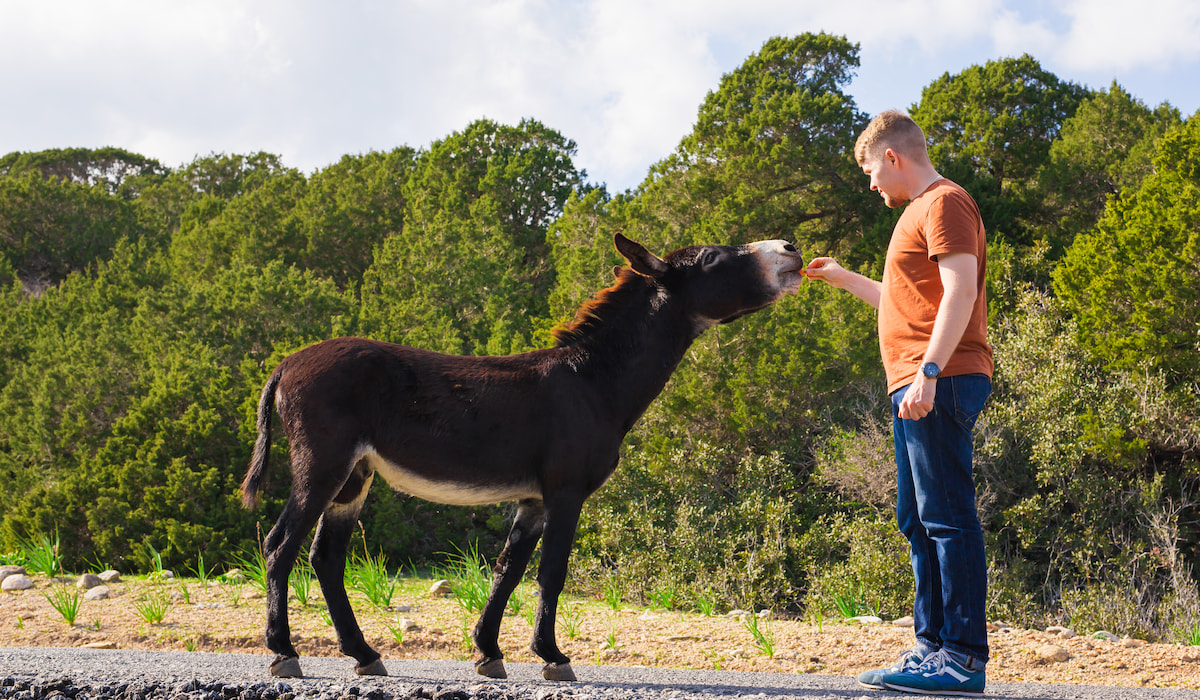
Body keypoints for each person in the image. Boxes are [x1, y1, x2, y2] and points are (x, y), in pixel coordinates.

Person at [805, 110, 993, 697]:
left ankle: (961, 658)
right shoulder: (918, 212)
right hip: (918, 383)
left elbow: (961, 290)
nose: (869, 184)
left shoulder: (944, 203)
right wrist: (844, 279)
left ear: (892, 157)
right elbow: (906, 301)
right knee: (917, 520)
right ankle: (932, 650)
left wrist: (930, 372)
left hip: (939, 378)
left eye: (868, 169)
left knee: (946, 518)